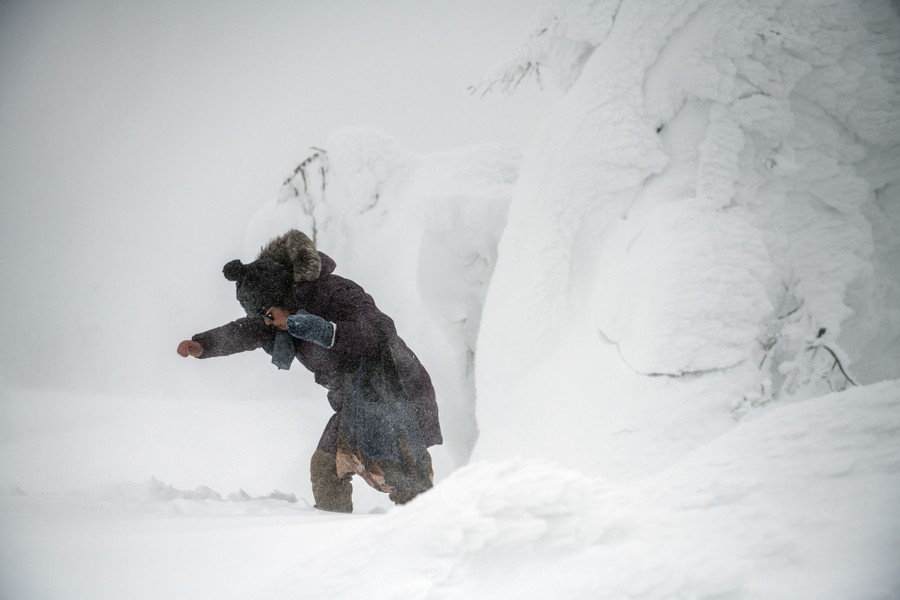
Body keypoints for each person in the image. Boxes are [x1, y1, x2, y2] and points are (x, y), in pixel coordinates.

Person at [177, 229, 441, 513]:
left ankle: (432, 535)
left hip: (393, 397)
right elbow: (246, 332)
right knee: (326, 467)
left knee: (408, 482)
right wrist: (204, 345)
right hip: (353, 404)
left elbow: (377, 332)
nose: (266, 323)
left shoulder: (335, 292)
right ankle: (330, 533)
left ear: (284, 297)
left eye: (267, 315)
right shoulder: (278, 320)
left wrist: (319, 329)